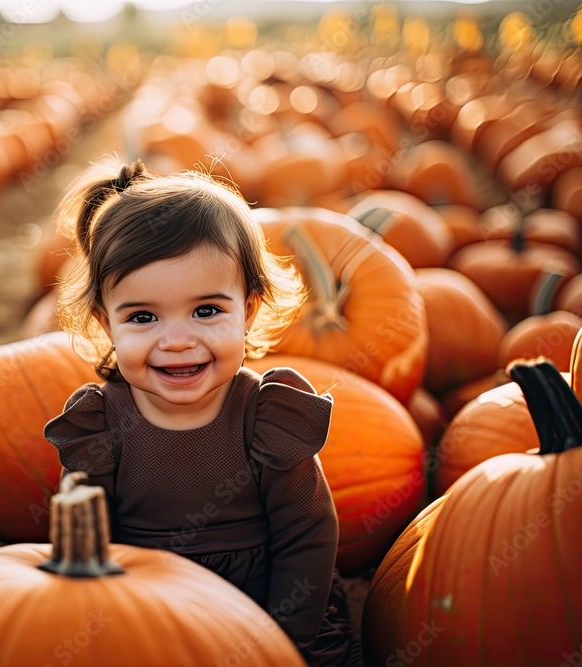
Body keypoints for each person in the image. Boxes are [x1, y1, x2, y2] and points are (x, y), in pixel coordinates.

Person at [43, 158, 352, 666]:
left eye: (207, 310)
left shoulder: (267, 418)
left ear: (247, 310)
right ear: (106, 322)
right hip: (146, 619)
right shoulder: (100, 425)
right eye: (143, 317)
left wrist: (283, 640)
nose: (179, 341)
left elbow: (308, 535)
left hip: (265, 614)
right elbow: (87, 542)